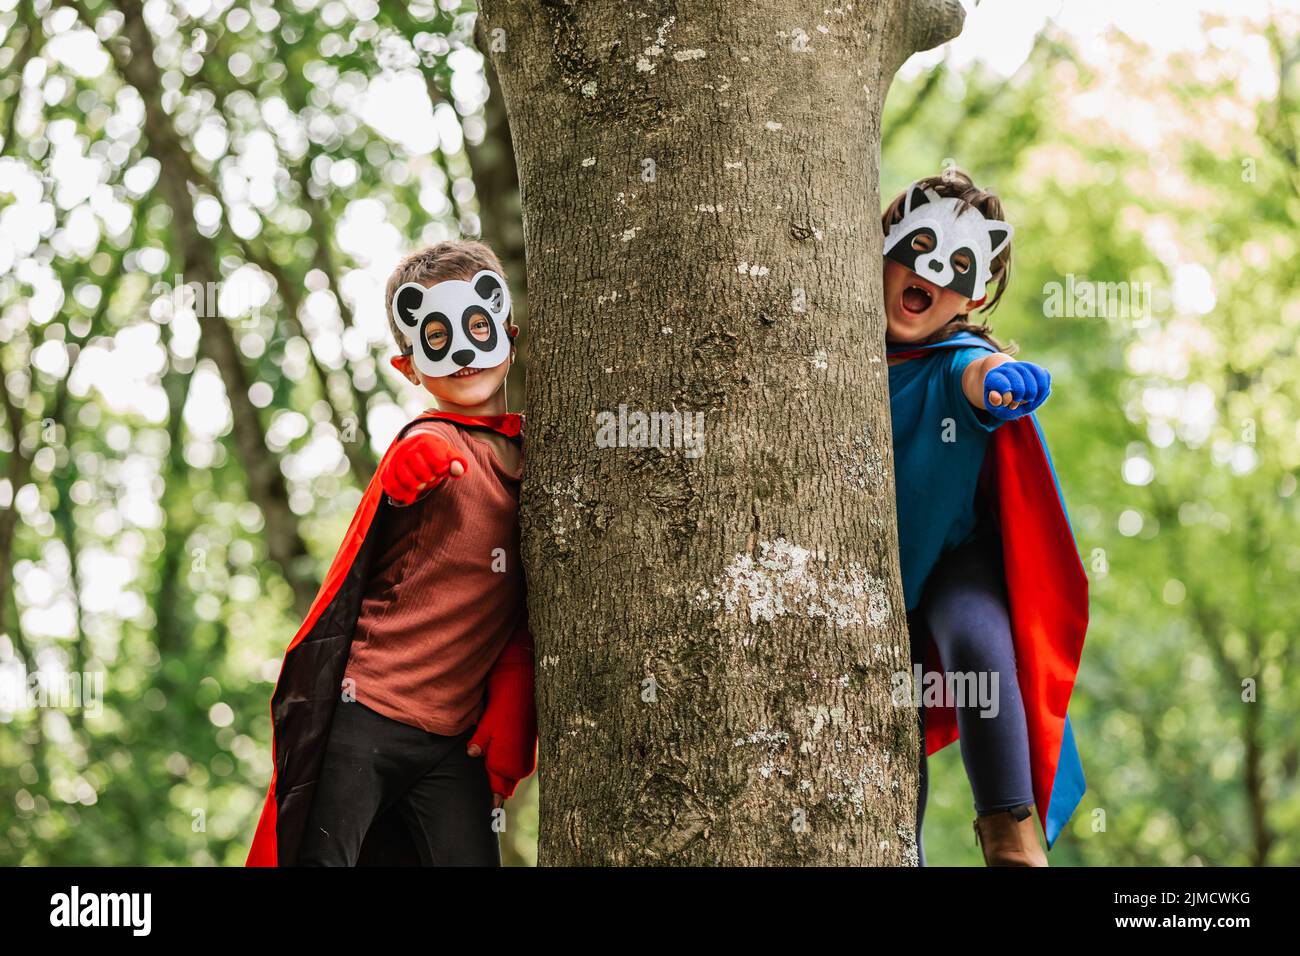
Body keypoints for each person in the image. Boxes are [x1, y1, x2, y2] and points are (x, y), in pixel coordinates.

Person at [246, 240, 535, 866]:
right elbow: (406, 466)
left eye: (478, 327)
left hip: (451, 744)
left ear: (508, 333)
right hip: (366, 715)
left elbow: (518, 612)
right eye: (437, 338)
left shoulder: (538, 462)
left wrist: (515, 706)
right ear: (410, 369)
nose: (462, 351)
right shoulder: (430, 440)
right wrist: (406, 470)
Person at [881, 171, 1088, 866]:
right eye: (918, 248)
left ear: (973, 296)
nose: (931, 272)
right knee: (887, 711)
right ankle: (897, 846)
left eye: (958, 267)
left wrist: (998, 383)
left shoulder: (957, 359)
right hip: (875, 588)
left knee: (974, 640)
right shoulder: (838, 353)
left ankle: (1009, 830)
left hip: (949, 561)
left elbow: (975, 377)